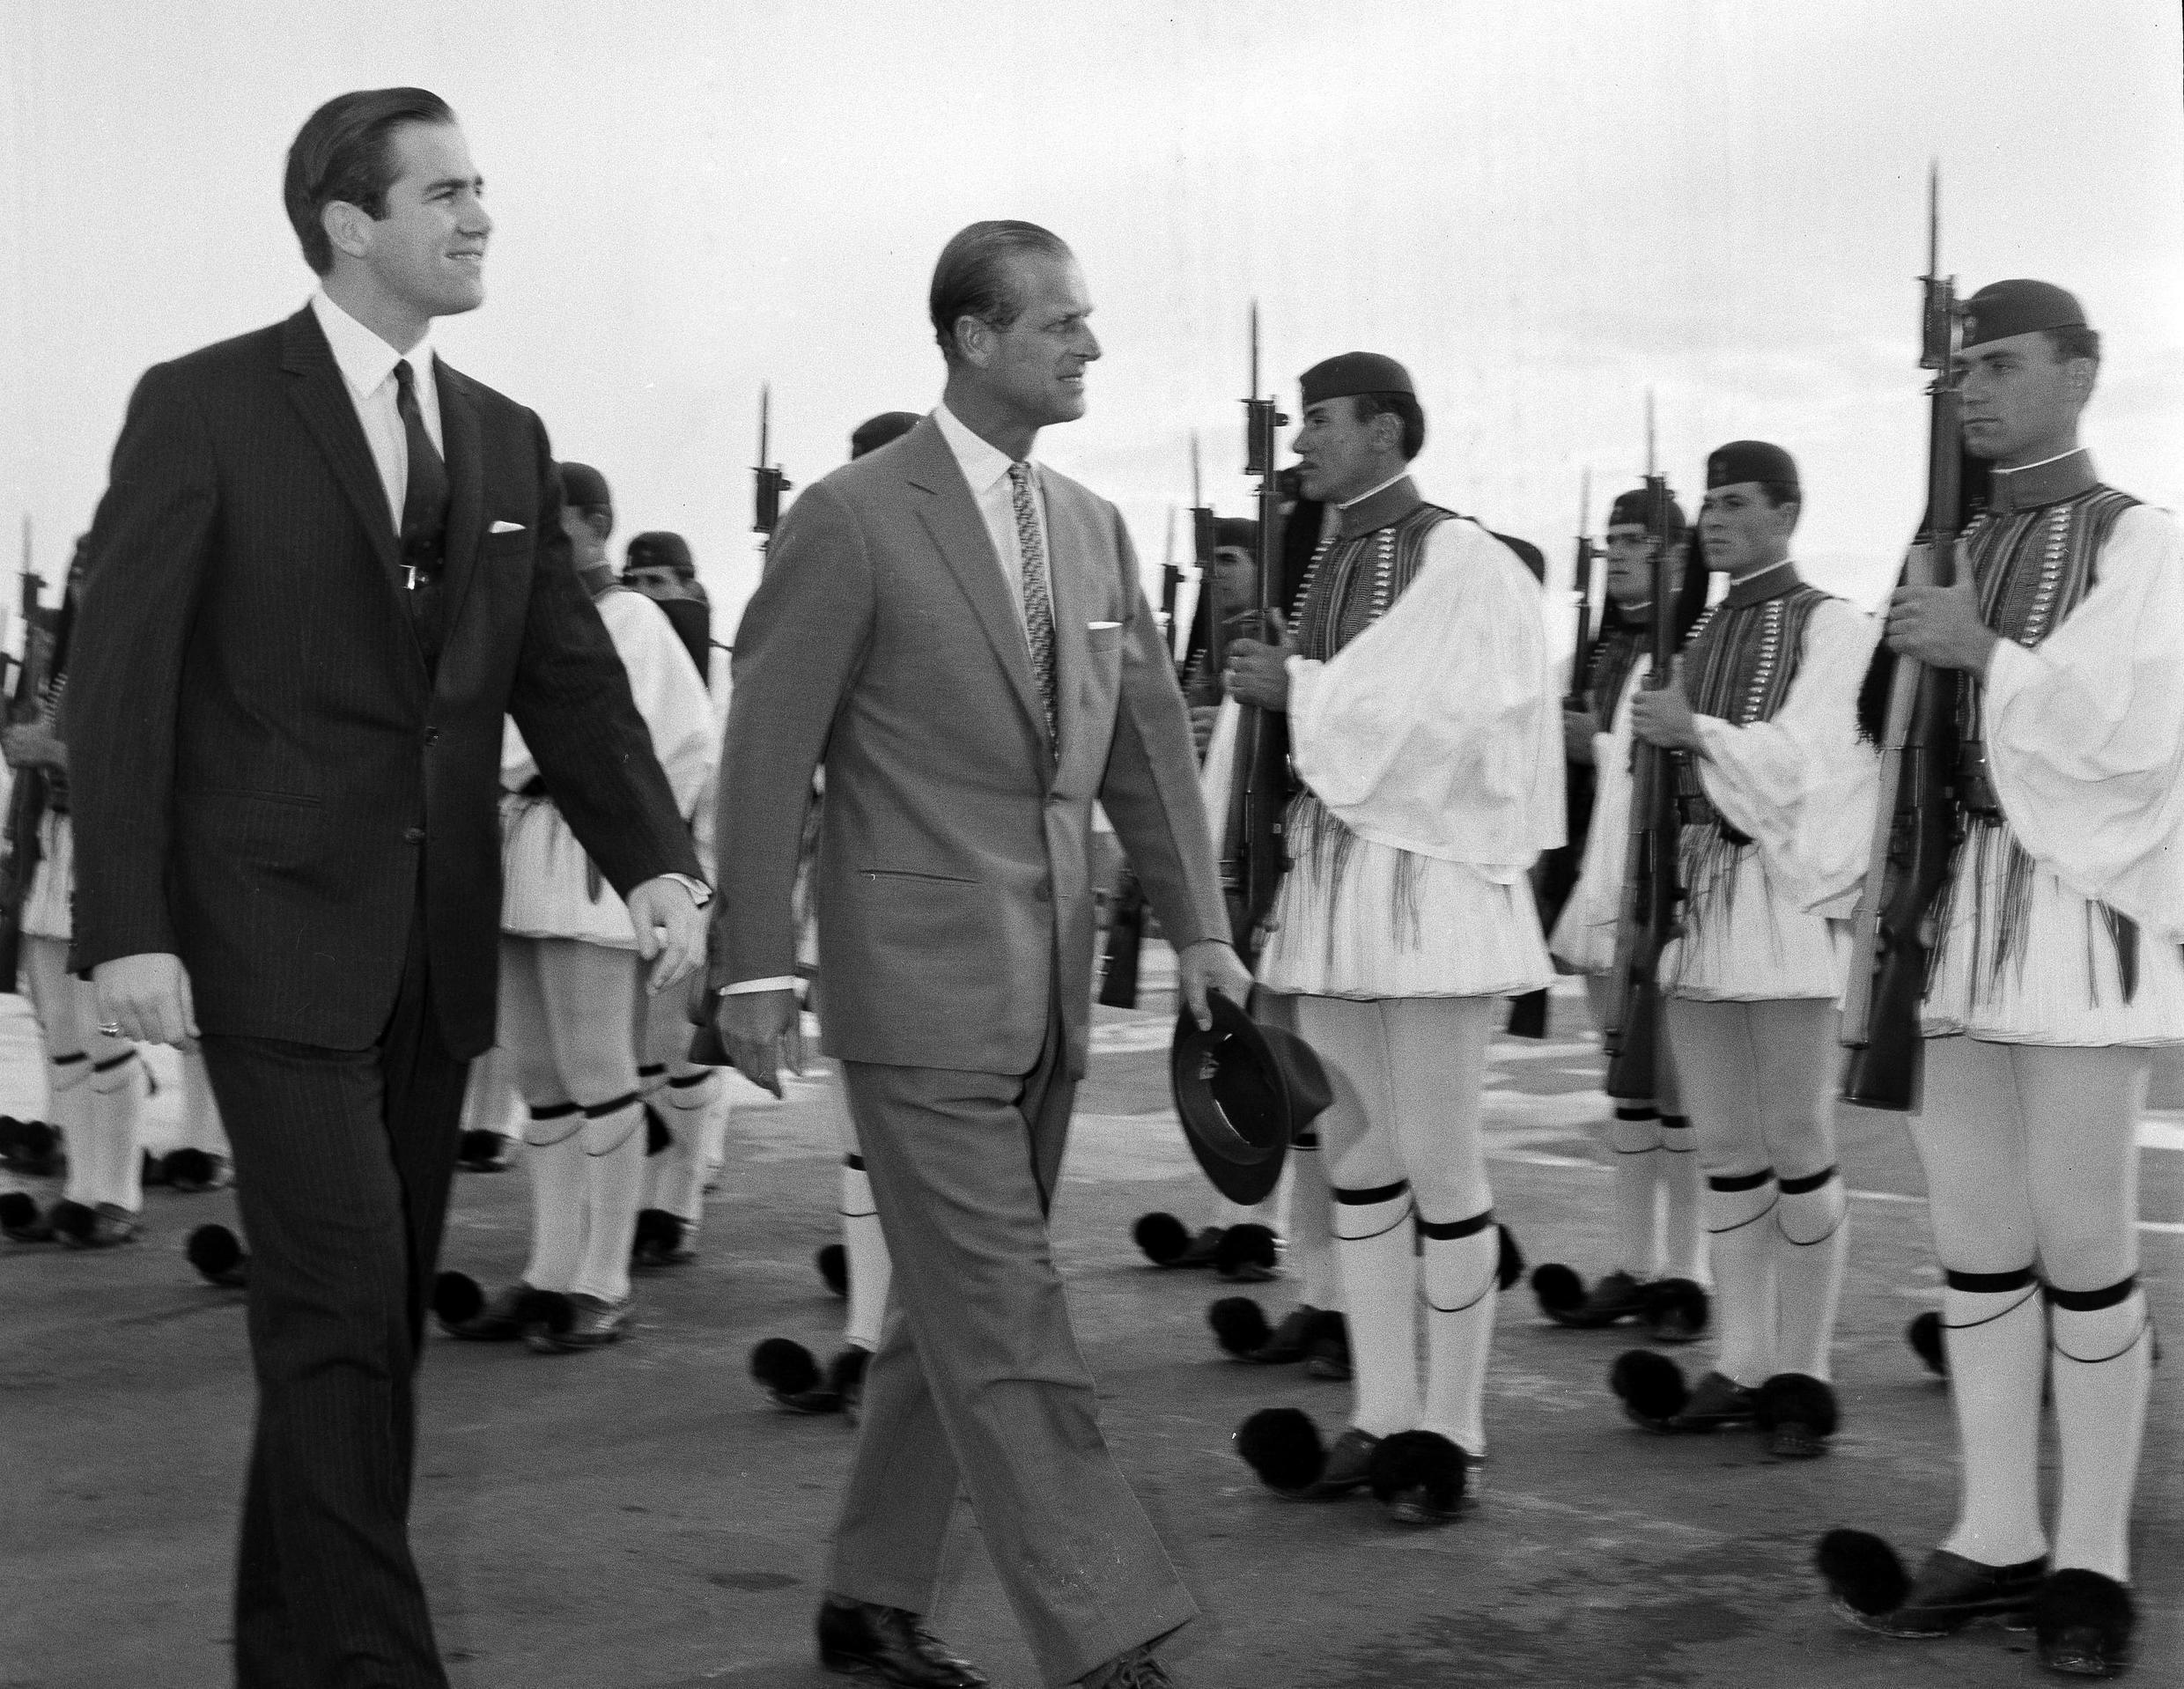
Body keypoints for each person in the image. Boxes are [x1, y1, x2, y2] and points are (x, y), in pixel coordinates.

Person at [67, 88, 707, 1688]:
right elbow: (124, 684)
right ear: (350, 222)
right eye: (446, 191)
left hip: (431, 954)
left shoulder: (501, 435)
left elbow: (564, 681)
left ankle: (291, 1652)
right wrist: (124, 923)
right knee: (343, 1310)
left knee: (363, 1331)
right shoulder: (203, 406)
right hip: (266, 945)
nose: (480, 215)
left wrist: (661, 867)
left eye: (482, 188)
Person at [712, 219, 1247, 1689]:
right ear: (971, 336)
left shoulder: (1089, 525)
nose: (1090, 346)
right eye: (1062, 323)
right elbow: (767, 750)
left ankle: (867, 1592)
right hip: (915, 987)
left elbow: (1144, 747)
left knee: (952, 1306)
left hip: (1051, 988)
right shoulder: (851, 516)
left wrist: (1201, 931)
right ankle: (1105, 1632)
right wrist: (754, 962)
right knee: (1009, 1307)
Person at [1819, 282, 2176, 1679]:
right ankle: (1996, 1529)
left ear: (2083, 373)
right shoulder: (1947, 538)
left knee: (2084, 1243)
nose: (1975, 388)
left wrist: (1987, 657)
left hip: (2077, 912)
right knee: (1974, 1237)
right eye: (1963, 367)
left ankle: (2091, 1562)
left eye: (2006, 363)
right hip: (1955, 913)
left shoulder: (2141, 537)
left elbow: (2143, 720)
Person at [1225, 352, 1562, 1526]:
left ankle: (1451, 1432)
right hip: (1335, 894)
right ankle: (1380, 1412)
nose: (1303, 440)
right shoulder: (1319, 557)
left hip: (1430, 890)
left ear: (1389, 429)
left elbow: (1469, 714)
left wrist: (1297, 695)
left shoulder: (1463, 556)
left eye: (1322, 421)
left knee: (1438, 1156)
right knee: (1358, 1156)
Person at [1609, 441, 1877, 1456]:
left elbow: (1818, 765)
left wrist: (1700, 733)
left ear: (1786, 511)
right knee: (1724, 1147)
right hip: (1697, 905)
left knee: (1797, 1140)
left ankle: (1801, 1373)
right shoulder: (1691, 630)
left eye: (1735, 501)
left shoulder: (1831, 625)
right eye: (1708, 502)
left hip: (1783, 896)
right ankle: (1740, 1354)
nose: (1714, 519)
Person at [439, 461, 715, 1346]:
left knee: (599, 1069)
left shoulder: (630, 619)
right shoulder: (526, 621)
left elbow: (672, 743)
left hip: (591, 854)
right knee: (539, 1078)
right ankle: (546, 1269)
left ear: (596, 526)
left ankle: (604, 1276)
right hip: (522, 851)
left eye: (557, 531)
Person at [1533, 488, 1709, 1335]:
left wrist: (1589, 744)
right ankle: (1636, 1265)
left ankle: (1688, 1273)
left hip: (1667, 886)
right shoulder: (1593, 652)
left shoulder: (1698, 643)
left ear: (1676, 554)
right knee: (1627, 1087)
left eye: (1638, 540)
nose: (1623, 555)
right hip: (1595, 879)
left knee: (1679, 1088)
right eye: (1612, 544)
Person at [0, 539, 153, 1249]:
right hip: (57, 845)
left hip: (108, 853)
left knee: (104, 1030)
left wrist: (52, 751)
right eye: (81, 574)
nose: (87, 587)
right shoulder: (72, 665)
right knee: (60, 1026)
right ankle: (82, 1187)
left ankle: (116, 1192)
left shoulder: (139, 655)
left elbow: (148, 757)